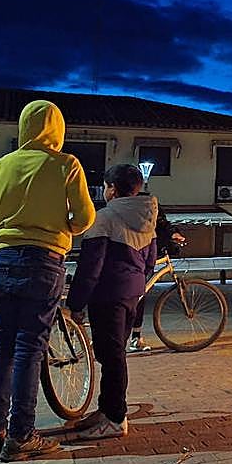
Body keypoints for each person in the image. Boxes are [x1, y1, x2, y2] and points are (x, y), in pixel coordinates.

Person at [0, 100, 96, 462]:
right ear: (56, 128)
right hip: (44, 261)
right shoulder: (65, 165)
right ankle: (22, 435)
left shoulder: (0, 166)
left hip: (5, 260)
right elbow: (85, 217)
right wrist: (62, 228)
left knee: (2, 348)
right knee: (29, 348)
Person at [66, 164, 157, 440]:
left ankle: (116, 418)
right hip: (132, 294)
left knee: (112, 356)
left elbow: (91, 266)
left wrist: (76, 303)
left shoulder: (103, 218)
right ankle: (107, 410)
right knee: (115, 354)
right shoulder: (148, 217)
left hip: (107, 295)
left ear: (112, 189)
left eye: (106, 186)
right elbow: (150, 261)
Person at [128, 205, 185, 352]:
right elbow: (163, 225)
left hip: (135, 258)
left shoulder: (124, 208)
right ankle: (132, 337)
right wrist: (172, 234)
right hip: (138, 260)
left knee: (139, 295)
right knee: (137, 295)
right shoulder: (150, 207)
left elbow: (163, 225)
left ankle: (134, 336)